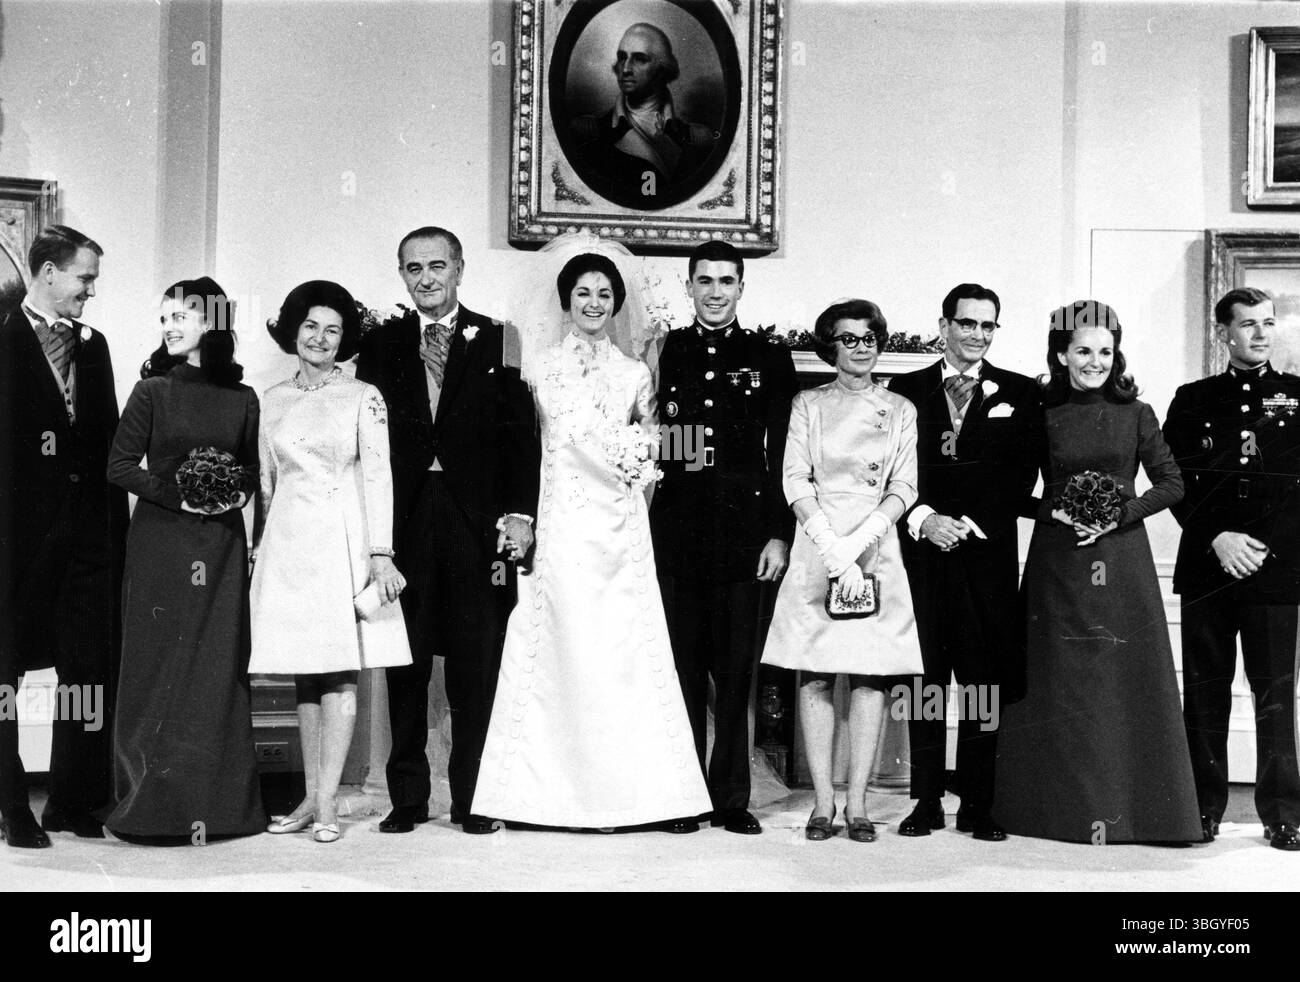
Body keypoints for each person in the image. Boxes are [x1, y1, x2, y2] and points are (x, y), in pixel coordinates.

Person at [472, 249, 712, 829]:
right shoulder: (537, 368)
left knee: (626, 651)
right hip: (559, 528)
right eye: (584, 293)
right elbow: (522, 447)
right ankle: (531, 797)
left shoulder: (635, 372)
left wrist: (639, 460)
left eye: (605, 295)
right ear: (565, 300)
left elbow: (658, 445)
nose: (595, 304)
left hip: (620, 531)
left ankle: (656, 797)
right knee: (555, 648)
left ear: (617, 304)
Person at [992, 301, 1201, 844]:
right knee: (1061, 682)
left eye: (1104, 352)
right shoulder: (1041, 412)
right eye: (1083, 350)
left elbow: (1172, 483)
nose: (1094, 361)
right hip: (1058, 561)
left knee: (1118, 681)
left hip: (1123, 562)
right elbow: (1013, 489)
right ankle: (1052, 813)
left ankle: (1139, 813)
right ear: (1061, 355)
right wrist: (1053, 511)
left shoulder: (1139, 413)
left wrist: (1119, 515)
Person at [355, 226, 540, 835]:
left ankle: (473, 799)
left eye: (438, 265)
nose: (427, 278)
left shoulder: (500, 338)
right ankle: (407, 798)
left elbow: (521, 434)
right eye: (413, 268)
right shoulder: (380, 343)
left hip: (476, 524)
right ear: (402, 275)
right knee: (404, 661)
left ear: (460, 268)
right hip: (405, 519)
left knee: (475, 662)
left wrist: (518, 513)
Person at [249, 281, 413, 844]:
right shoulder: (269, 399)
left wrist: (381, 553)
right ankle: (309, 795)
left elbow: (378, 476)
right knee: (303, 670)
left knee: (340, 670)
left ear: (345, 340)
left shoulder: (363, 396)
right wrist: (259, 551)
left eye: (333, 330)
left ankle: (327, 804)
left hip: (343, 540)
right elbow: (266, 485)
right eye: (311, 326)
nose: (320, 338)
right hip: (288, 543)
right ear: (293, 329)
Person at [104, 277, 265, 840]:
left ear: (212, 324)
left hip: (221, 547)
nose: (169, 327)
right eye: (165, 317)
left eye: (182, 317)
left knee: (216, 668)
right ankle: (150, 808)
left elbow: (250, 471)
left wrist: (231, 492)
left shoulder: (244, 399)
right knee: (157, 666)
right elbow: (120, 466)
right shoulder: (153, 390)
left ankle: (219, 809)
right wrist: (184, 494)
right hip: (161, 544)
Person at [650, 240, 798, 835]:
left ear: (741, 288)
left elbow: (784, 452)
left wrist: (778, 536)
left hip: (744, 536)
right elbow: (653, 437)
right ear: (689, 286)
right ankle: (686, 795)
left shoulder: (768, 355)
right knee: (683, 671)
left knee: (736, 673)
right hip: (679, 534)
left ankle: (732, 798)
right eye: (704, 281)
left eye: (726, 281)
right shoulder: (667, 350)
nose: (715, 292)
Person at [761, 299, 922, 842]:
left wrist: (860, 546)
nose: (861, 346)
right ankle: (822, 804)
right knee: (817, 670)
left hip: (875, 544)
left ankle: (858, 805)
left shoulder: (900, 408)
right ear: (831, 345)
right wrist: (832, 549)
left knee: (871, 674)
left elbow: (904, 485)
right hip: (818, 541)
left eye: (870, 336)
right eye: (849, 338)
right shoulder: (807, 403)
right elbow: (793, 479)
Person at [889, 283, 1042, 842]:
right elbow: (892, 470)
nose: (977, 334)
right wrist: (926, 517)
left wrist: (969, 521)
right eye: (967, 323)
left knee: (982, 685)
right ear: (944, 324)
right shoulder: (904, 391)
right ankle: (925, 801)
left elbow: (1022, 477)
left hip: (985, 560)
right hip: (922, 559)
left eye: (988, 325)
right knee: (924, 681)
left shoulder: (1022, 394)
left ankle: (979, 804)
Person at [0, 225, 128, 848]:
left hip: (88, 538)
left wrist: (113, 537)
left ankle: (74, 801)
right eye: (85, 278)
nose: (91, 292)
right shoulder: (2, 338)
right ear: (48, 273)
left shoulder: (95, 346)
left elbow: (106, 446)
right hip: (15, 541)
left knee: (87, 670)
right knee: (5, 674)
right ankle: (11, 802)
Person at [1163, 287, 1300, 851]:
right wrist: (1217, 537)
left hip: (1275, 570)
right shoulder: (1193, 399)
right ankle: (1201, 807)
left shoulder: (1297, 396)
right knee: (1205, 691)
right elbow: (1174, 481)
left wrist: (1262, 546)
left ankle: (1283, 813)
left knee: (1275, 695)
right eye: (1247, 325)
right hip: (1207, 567)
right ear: (1225, 333)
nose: (1260, 334)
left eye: (1267, 323)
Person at [570, 22, 718, 208]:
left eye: (640, 59)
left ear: (662, 69)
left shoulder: (698, 138)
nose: (626, 69)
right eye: (622, 58)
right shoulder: (589, 133)